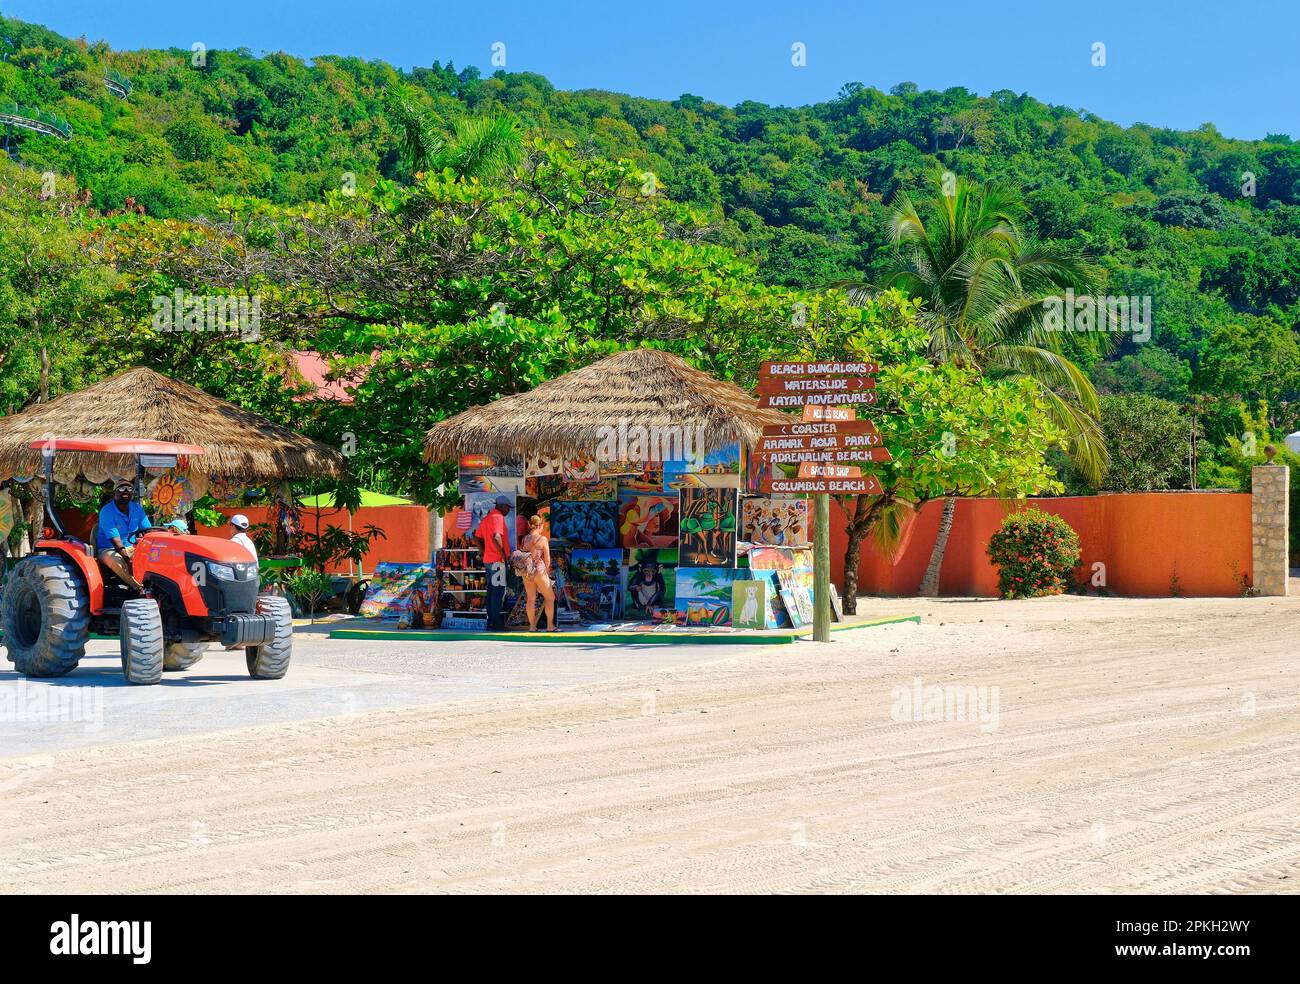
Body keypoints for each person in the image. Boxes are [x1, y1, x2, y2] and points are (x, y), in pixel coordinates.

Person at [96, 481, 151, 592]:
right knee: (117, 560)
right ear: (114, 493)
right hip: (109, 548)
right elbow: (115, 541)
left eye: (129, 489)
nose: (125, 491)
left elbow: (148, 531)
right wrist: (127, 558)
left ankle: (153, 584)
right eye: (121, 489)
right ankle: (139, 588)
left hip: (132, 546)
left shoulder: (137, 508)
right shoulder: (107, 511)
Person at [477, 495, 511, 630]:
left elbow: (476, 537)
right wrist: (504, 557)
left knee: (491, 592)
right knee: (498, 593)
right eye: (508, 507)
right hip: (497, 562)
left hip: (488, 560)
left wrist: (483, 551)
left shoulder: (486, 518)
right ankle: (496, 623)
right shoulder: (497, 517)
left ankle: (490, 621)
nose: (508, 510)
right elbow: (496, 537)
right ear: (501, 506)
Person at [520, 514, 557, 632]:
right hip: (540, 571)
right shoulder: (543, 539)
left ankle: (532, 627)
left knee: (530, 599)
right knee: (550, 598)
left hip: (527, 572)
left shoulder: (525, 539)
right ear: (540, 525)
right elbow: (547, 559)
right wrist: (546, 573)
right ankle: (550, 626)